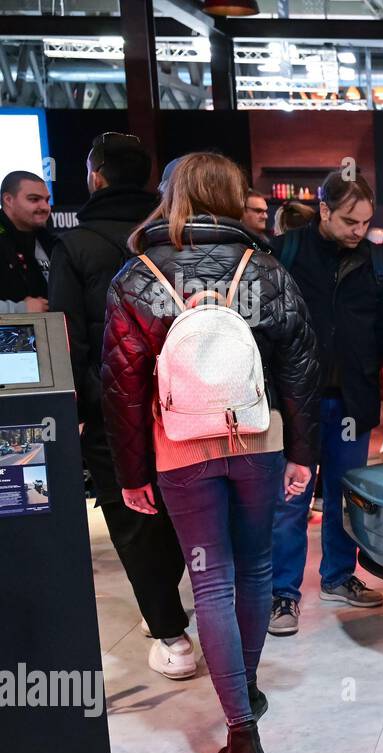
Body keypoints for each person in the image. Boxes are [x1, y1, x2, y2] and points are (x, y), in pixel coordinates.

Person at [100, 152, 320, 753]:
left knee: (210, 580)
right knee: (254, 570)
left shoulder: (136, 275)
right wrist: (303, 453)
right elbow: (302, 367)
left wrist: (131, 472)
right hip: (258, 439)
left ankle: (241, 736)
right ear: (232, 196)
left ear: (172, 196)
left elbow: (120, 386)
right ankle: (245, 693)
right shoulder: (267, 268)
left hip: (179, 448)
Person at [45, 132, 197, 679]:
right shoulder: (173, 241)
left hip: (112, 408)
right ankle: (183, 610)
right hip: (182, 400)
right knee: (184, 506)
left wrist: (80, 407)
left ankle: (171, 633)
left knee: (132, 521)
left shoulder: (77, 245)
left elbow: (66, 336)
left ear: (96, 174)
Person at [267, 171, 383, 636]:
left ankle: (339, 576)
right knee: (291, 499)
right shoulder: (286, 253)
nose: (358, 231)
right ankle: (283, 593)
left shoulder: (377, 261)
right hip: (297, 399)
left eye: (364, 222)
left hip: (352, 398)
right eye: (348, 221)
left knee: (344, 493)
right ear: (323, 211)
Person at [0, 170, 54, 314]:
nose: (45, 207)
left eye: (47, 200)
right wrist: (20, 309)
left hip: (53, 333)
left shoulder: (50, 241)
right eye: (34, 199)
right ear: (8, 200)